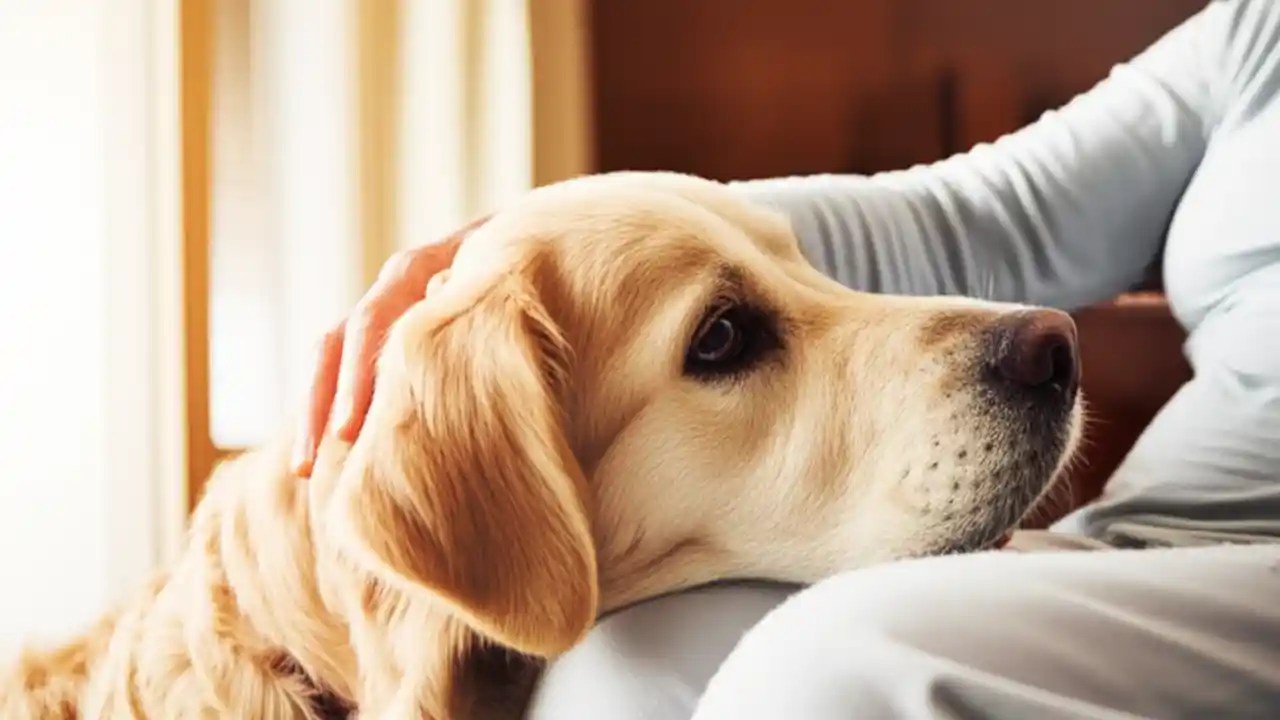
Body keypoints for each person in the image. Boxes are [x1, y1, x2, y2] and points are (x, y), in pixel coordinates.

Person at [292, 0, 1280, 716]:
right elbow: (978, 219)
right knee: (607, 683)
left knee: (822, 676)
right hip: (1108, 562)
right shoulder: (1252, 35)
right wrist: (535, 254)